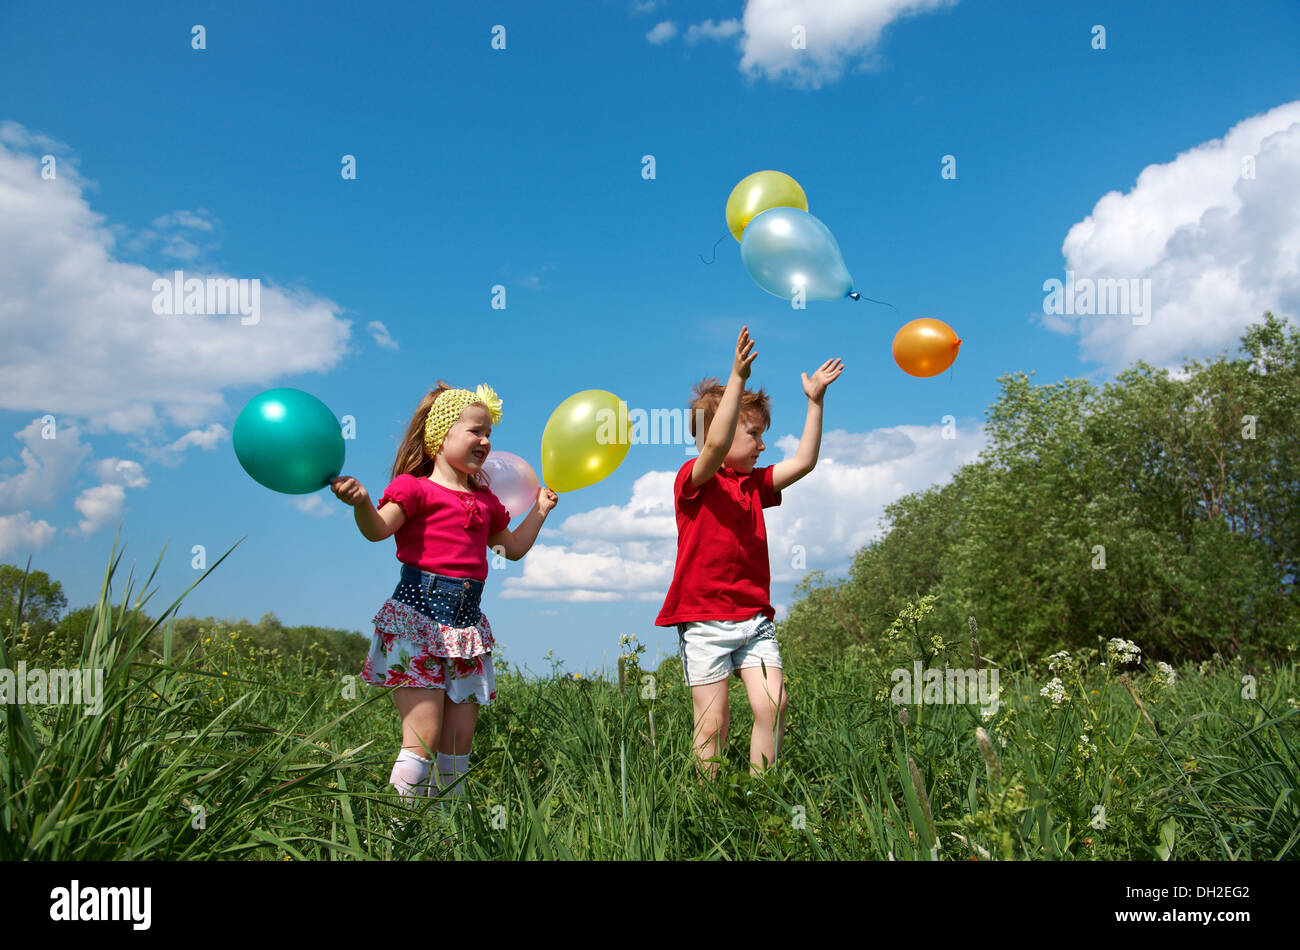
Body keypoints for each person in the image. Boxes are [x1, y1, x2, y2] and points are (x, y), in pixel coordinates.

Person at [331, 381, 557, 807]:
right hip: (417, 621)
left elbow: (511, 549)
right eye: (476, 431)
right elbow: (378, 530)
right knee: (424, 736)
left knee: (459, 742)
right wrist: (362, 502)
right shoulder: (415, 489)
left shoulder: (486, 500)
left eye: (489, 433)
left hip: (467, 628)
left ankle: (447, 830)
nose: (486, 441)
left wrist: (540, 511)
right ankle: (401, 833)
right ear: (442, 434)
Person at [655, 327, 843, 777]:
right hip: (704, 621)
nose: (762, 445)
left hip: (753, 620)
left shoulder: (753, 485)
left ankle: (760, 795)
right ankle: (707, 803)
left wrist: (815, 402)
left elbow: (804, 463)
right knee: (713, 724)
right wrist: (736, 378)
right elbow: (716, 445)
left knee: (772, 705)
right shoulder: (693, 481)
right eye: (754, 434)